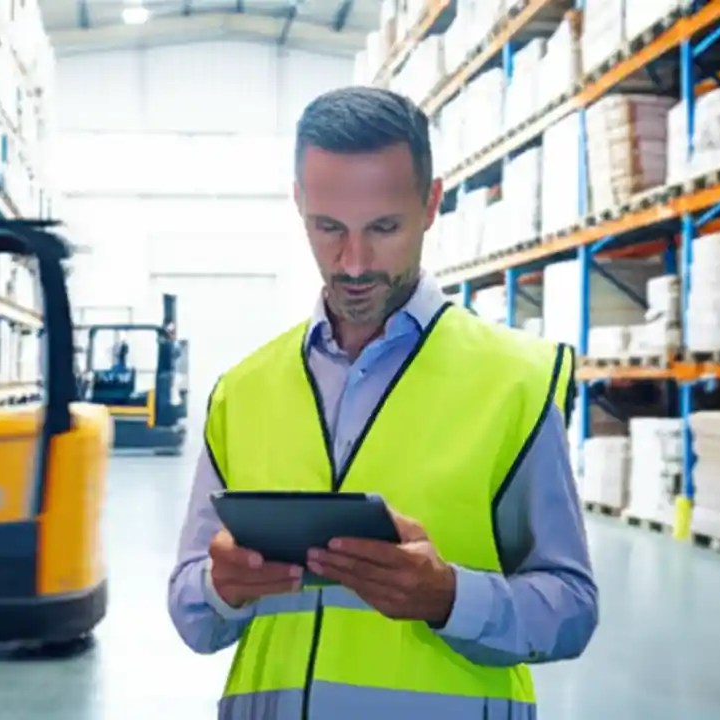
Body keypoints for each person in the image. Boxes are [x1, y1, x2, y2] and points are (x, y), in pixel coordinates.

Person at [166, 87, 598, 719]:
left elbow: (572, 609)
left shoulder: (515, 382)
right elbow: (191, 611)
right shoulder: (245, 388)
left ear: (430, 204)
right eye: (329, 228)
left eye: (384, 228)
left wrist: (451, 597)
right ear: (299, 205)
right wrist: (220, 587)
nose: (355, 263)